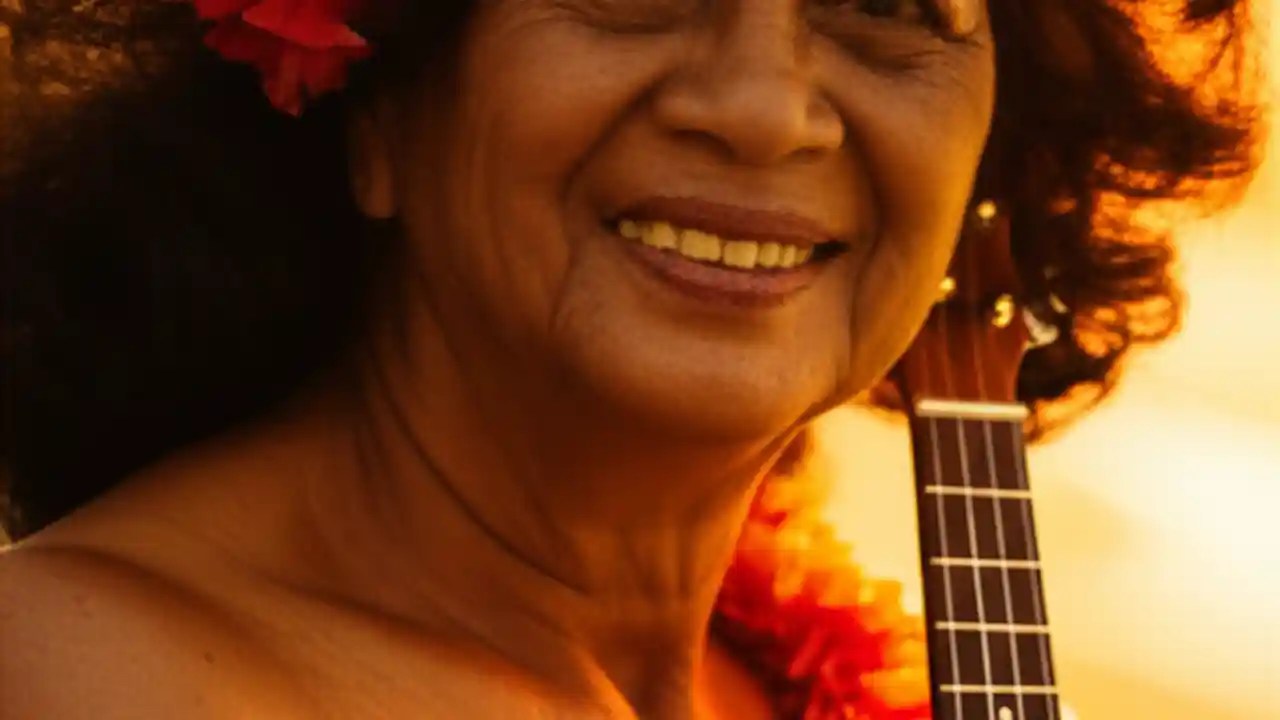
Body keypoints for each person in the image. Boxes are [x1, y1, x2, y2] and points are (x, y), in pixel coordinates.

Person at [0, 0, 1261, 718]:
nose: (764, 110)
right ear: (381, 98)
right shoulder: (70, 673)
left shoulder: (782, 681)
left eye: (884, 2)